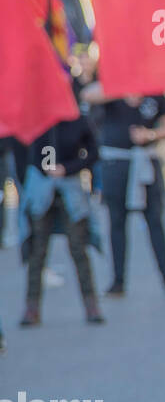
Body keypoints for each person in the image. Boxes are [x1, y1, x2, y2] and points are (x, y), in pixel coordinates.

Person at [81, 85, 165, 298]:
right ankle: (118, 281)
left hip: (146, 160)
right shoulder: (112, 87)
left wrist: (151, 134)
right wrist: (123, 87)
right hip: (116, 163)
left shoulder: (154, 91)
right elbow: (87, 94)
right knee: (117, 222)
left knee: (155, 221)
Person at [19, 107, 104, 327]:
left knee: (78, 247)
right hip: (42, 189)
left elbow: (93, 152)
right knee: (37, 250)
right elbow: (26, 149)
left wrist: (67, 168)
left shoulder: (78, 120)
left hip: (70, 189)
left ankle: (91, 304)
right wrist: (46, 168)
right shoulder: (38, 118)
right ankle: (32, 308)